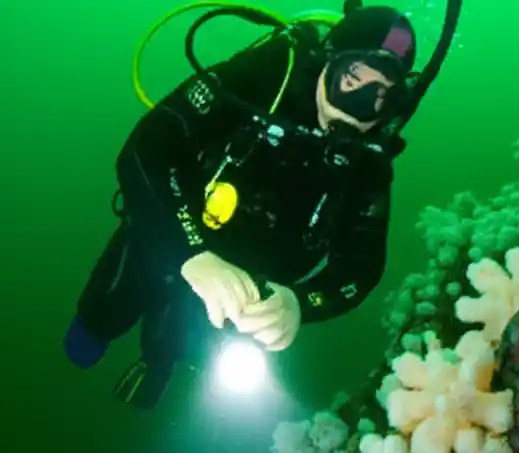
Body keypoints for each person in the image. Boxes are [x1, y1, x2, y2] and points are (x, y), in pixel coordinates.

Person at [64, 2, 456, 408]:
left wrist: (298, 303)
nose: (363, 109)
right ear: (327, 61)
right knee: (91, 330)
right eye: (353, 79)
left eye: (383, 96)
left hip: (247, 286)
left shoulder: (368, 157)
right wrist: (193, 254)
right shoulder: (268, 74)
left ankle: (159, 365)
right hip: (172, 229)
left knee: (187, 348)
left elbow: (360, 268)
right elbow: (146, 150)